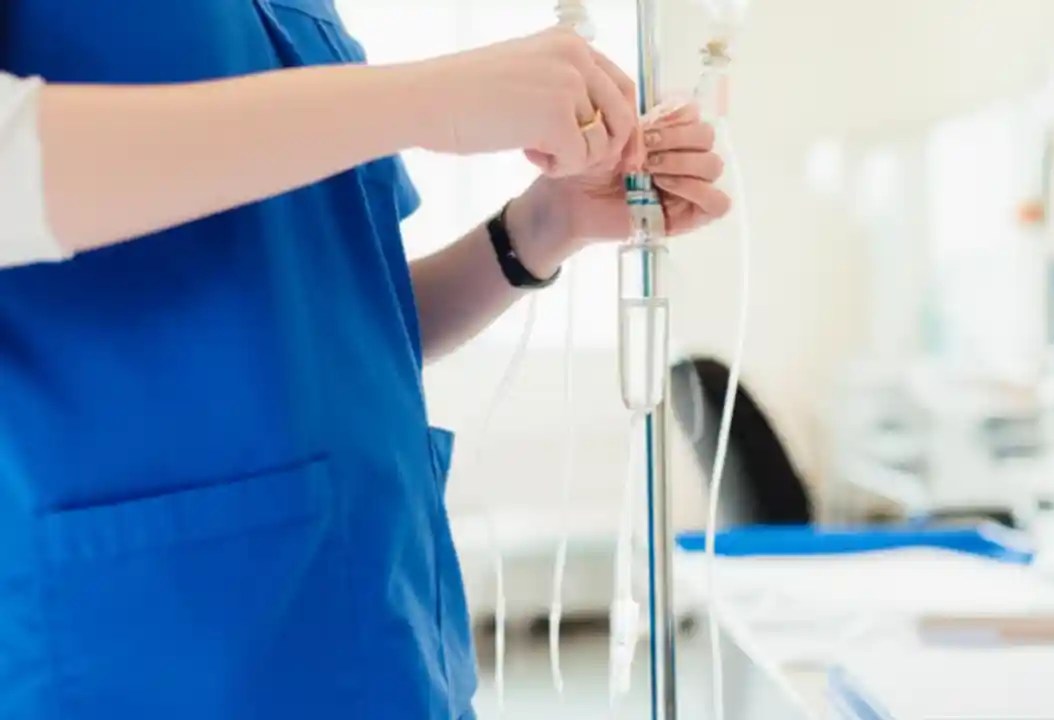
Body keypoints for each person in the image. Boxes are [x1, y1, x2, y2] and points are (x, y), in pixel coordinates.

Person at [0, 4, 729, 719]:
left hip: (382, 629)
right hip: (157, 646)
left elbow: (342, 319)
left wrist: (544, 225)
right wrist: (432, 98)